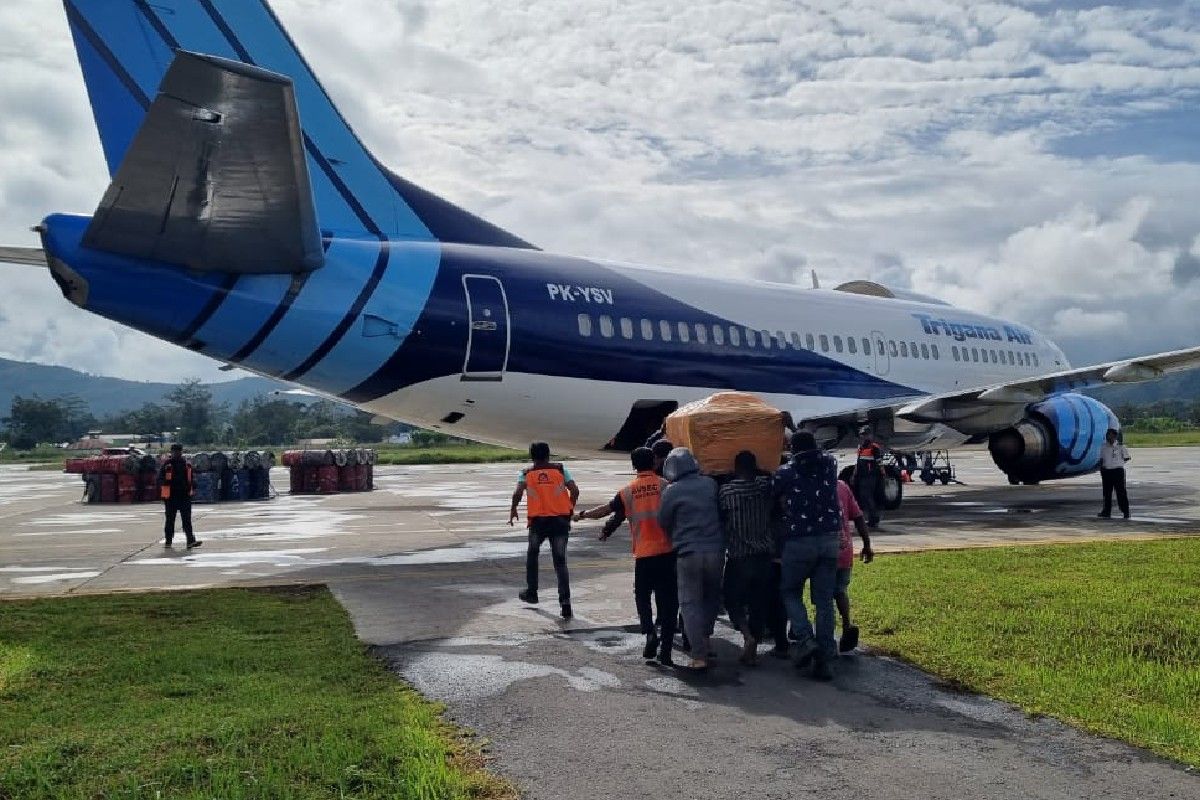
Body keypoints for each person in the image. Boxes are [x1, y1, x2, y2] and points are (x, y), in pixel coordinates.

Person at [576, 447, 677, 666]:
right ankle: (666, 650)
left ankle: (649, 631)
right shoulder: (665, 486)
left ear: (633, 466)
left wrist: (582, 515)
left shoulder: (628, 491)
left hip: (644, 554)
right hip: (668, 552)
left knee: (642, 596)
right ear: (654, 463)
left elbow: (606, 510)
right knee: (668, 601)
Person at [773, 431, 842, 680]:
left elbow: (772, 495)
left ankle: (805, 638)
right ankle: (825, 655)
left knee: (790, 591)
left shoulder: (785, 473)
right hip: (829, 539)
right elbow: (818, 453)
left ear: (793, 449)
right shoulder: (830, 465)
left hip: (798, 540)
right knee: (824, 601)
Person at [658, 447, 724, 671]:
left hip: (687, 553)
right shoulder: (710, 484)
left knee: (689, 602)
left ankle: (699, 655)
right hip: (715, 551)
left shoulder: (671, 491)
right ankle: (706, 639)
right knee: (711, 598)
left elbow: (663, 521)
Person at [509, 442, 579, 618]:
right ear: (549, 455)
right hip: (560, 521)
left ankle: (532, 592)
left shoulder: (526, 473)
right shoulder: (561, 470)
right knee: (560, 561)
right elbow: (575, 490)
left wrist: (513, 509)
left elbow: (517, 493)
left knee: (532, 555)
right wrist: (570, 507)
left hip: (538, 522)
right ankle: (565, 602)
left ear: (532, 456)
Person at [718, 450, 774, 665]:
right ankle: (755, 643)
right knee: (759, 602)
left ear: (735, 468)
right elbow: (770, 476)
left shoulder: (726, 491)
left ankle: (746, 634)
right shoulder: (765, 487)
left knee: (733, 599)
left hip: (739, 556)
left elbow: (721, 518)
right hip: (764, 555)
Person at [834, 479, 874, 652]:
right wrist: (866, 544)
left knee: (822, 594)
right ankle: (846, 624)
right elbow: (858, 517)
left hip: (823, 551)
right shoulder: (842, 486)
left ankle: (819, 635)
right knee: (840, 590)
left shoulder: (813, 485)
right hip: (844, 550)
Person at [158, 443, 202, 550]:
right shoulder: (167, 465)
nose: (177, 453)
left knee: (186, 520)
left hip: (184, 496)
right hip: (171, 497)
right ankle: (168, 541)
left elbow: (191, 479)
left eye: (178, 451)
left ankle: (190, 540)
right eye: (175, 451)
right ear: (172, 452)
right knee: (170, 520)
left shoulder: (186, 465)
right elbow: (159, 479)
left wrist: (193, 486)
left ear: (181, 452)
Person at [852, 427, 883, 528]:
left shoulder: (874, 448)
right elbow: (858, 461)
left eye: (865, 435)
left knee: (868, 497)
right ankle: (871, 517)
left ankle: (873, 518)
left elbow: (879, 463)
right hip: (862, 476)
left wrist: (883, 475)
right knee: (863, 497)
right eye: (862, 435)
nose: (863, 437)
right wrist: (854, 474)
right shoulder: (860, 447)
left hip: (871, 476)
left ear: (870, 435)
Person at [1098, 428, 1131, 519]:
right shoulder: (1103, 446)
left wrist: (1118, 463)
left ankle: (1125, 511)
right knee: (1107, 493)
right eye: (1107, 435)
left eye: (1110, 435)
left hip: (1117, 471)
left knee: (1121, 492)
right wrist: (1102, 469)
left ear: (1115, 436)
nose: (1108, 437)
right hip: (1107, 471)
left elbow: (1127, 458)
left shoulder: (1121, 447)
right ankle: (1106, 511)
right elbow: (1101, 459)